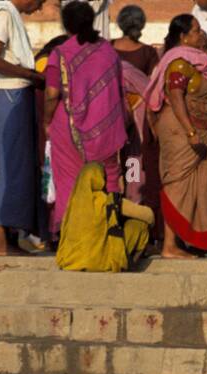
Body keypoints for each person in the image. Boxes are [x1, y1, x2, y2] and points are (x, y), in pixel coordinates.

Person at [45, 2, 127, 243]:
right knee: (109, 178)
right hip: (107, 128)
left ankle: (71, 236)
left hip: (68, 129)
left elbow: (51, 94)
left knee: (70, 179)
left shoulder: (59, 53)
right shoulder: (109, 51)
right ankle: (109, 232)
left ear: (66, 24)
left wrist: (45, 120)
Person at [146, 13, 207, 257]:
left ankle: (185, 241)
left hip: (203, 133)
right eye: (197, 30)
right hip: (182, 131)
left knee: (198, 186)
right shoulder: (178, 62)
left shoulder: (201, 62)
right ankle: (169, 245)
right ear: (183, 36)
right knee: (177, 184)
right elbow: (177, 98)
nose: (201, 34)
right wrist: (191, 132)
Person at [0, 0, 45, 256]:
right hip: (11, 96)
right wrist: (30, 74)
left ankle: (7, 237)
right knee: (8, 168)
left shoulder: (2, 14)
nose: (40, 7)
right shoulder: (2, 14)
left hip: (13, 95)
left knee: (17, 168)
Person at [56, 161, 153, 270]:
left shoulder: (72, 204)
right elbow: (148, 215)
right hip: (99, 261)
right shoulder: (107, 200)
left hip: (70, 260)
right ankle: (124, 263)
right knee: (139, 225)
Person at [112, 4, 156, 74]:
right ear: (142, 25)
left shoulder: (106, 47)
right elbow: (153, 81)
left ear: (120, 24)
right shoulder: (148, 52)